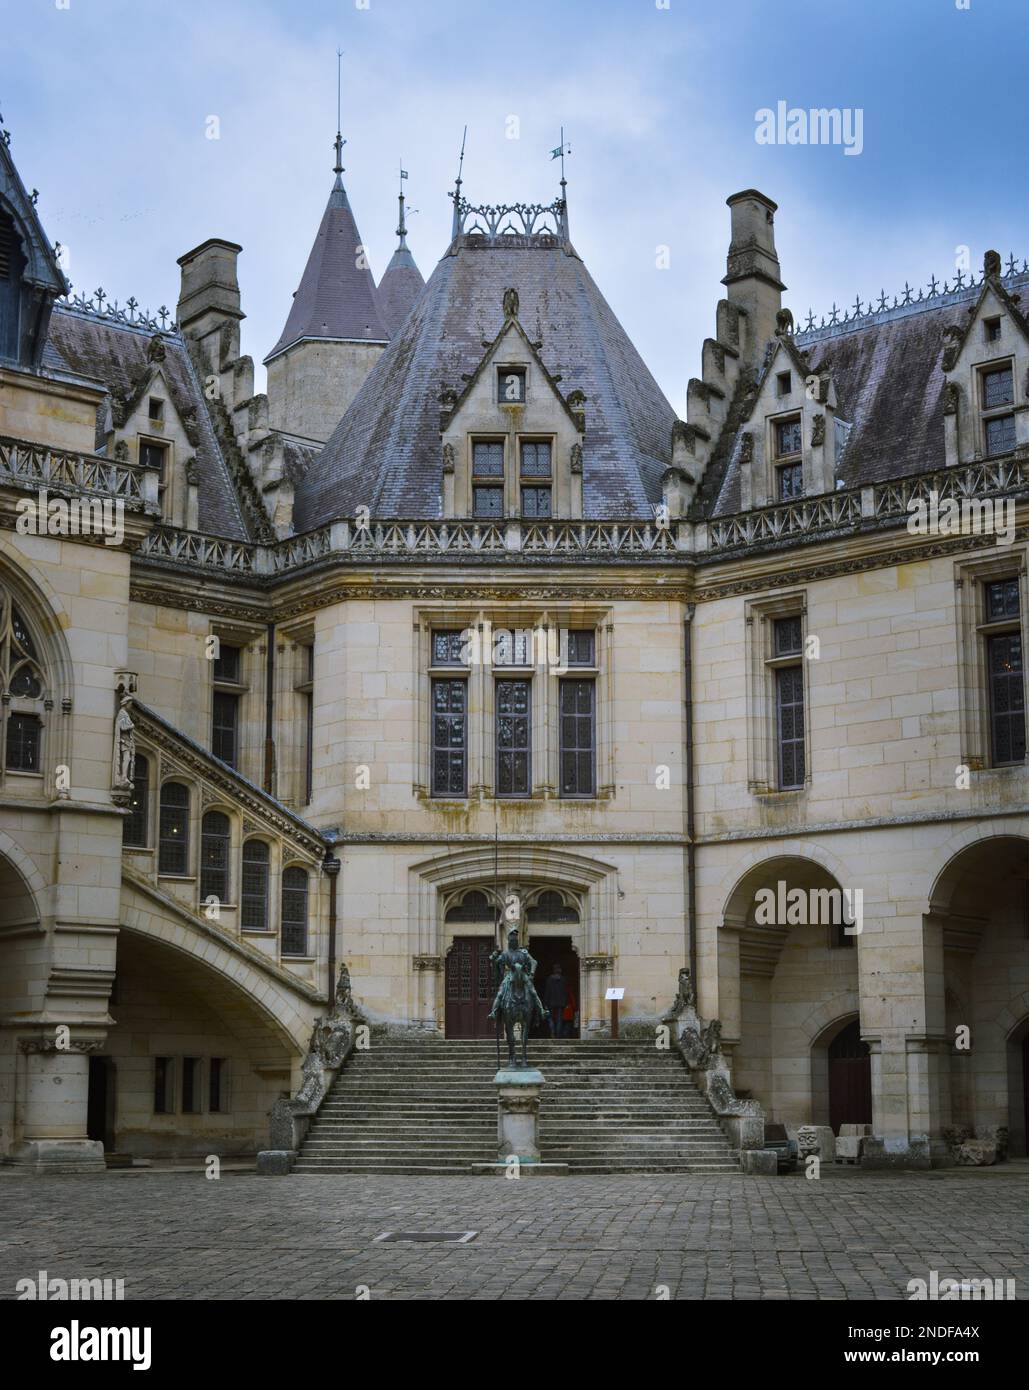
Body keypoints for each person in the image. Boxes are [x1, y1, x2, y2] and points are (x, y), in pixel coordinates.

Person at [543, 963, 568, 1038]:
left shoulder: (549, 979)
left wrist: (545, 1003)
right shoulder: (563, 979)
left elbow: (547, 991)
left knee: (550, 1018)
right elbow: (565, 992)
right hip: (561, 1002)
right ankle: (558, 1035)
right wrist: (565, 1002)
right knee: (559, 1020)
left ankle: (552, 1031)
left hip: (551, 1002)